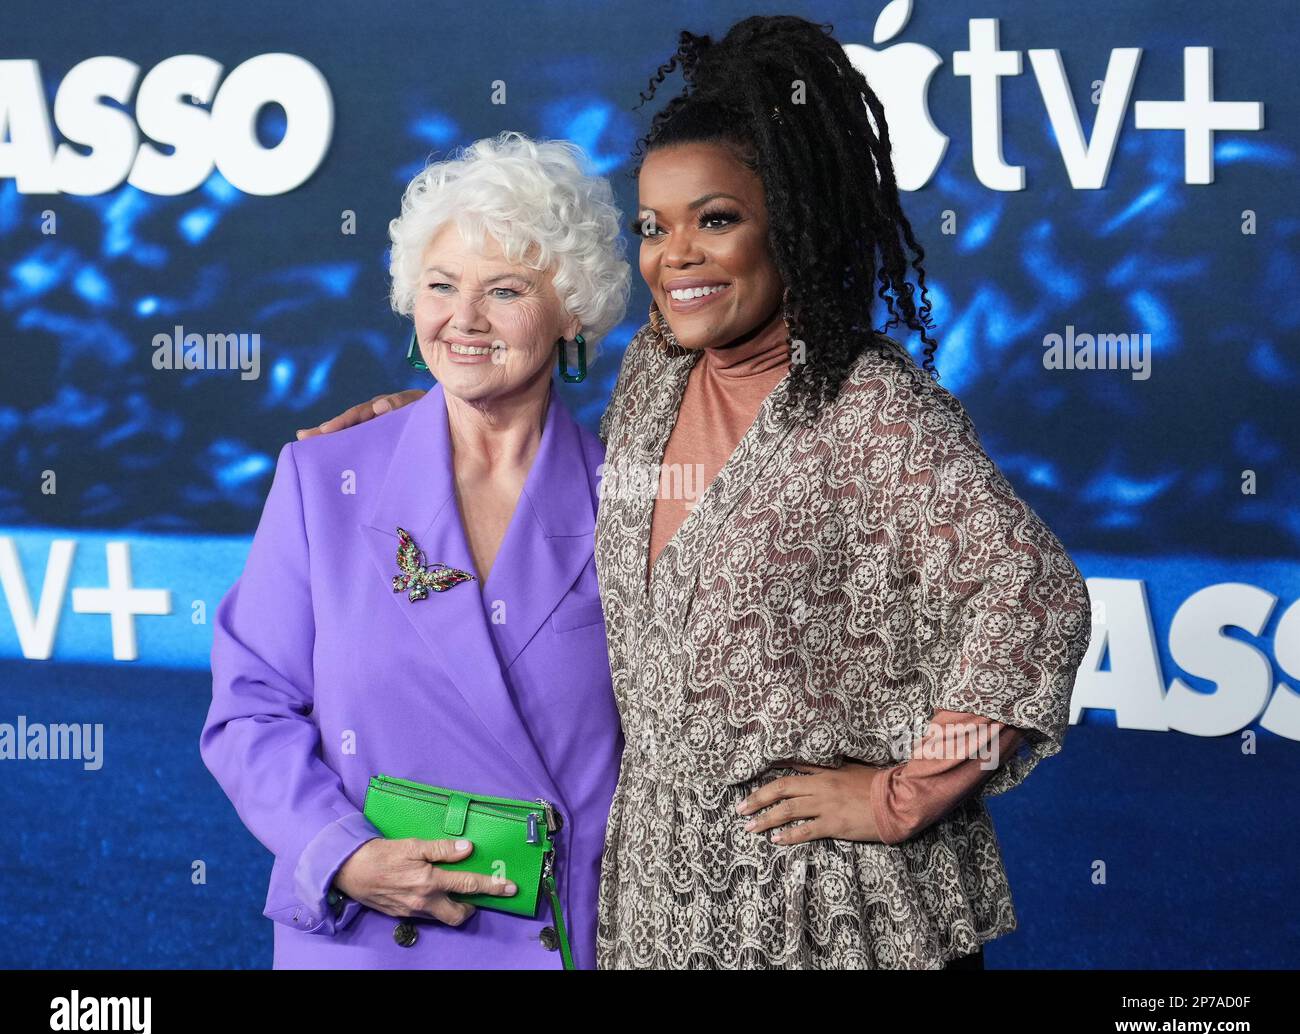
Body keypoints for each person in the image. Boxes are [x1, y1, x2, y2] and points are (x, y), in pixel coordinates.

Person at [301, 16, 1093, 969]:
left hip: (829, 913)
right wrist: (431, 418)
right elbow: (578, 457)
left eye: (716, 219)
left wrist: (905, 792)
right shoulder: (656, 373)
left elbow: (1034, 601)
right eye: (653, 227)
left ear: (790, 223)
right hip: (662, 899)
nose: (676, 254)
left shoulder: (871, 407)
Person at [200, 131, 630, 968]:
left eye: (504, 290)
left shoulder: (634, 502)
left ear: (572, 310)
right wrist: (341, 855)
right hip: (370, 942)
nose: (462, 319)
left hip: (563, 941)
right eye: (440, 286)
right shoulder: (321, 479)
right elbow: (249, 711)